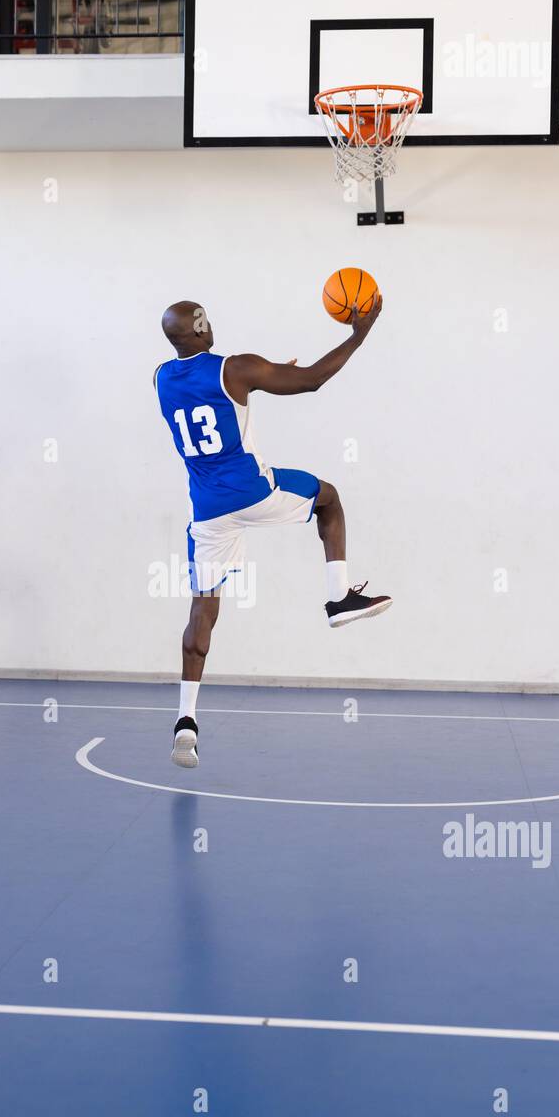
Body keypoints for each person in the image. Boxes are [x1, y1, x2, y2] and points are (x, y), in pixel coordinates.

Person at [154, 297, 390, 768]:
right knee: (330, 498)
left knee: (203, 608)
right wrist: (359, 334)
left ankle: (186, 722)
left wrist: (266, 373)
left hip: (207, 513)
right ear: (201, 326)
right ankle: (339, 598)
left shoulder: (161, 376)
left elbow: (223, 393)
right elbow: (312, 382)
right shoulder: (236, 368)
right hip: (253, 493)